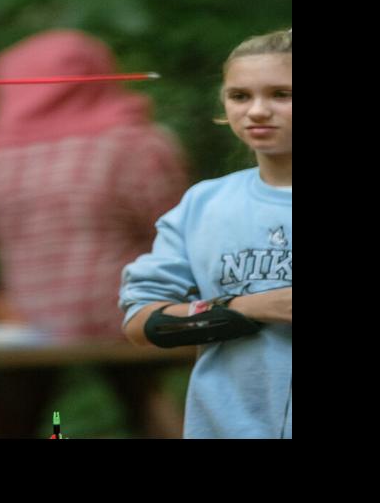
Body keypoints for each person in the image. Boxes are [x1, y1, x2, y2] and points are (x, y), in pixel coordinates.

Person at [0, 29, 191, 437]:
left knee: (28, 404)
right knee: (145, 384)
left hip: (29, 317)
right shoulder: (135, 142)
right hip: (124, 308)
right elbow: (177, 234)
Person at [119, 28, 292, 439]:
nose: (257, 111)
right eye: (240, 96)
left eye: (281, 95)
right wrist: (248, 307)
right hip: (228, 426)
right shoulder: (203, 205)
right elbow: (142, 321)